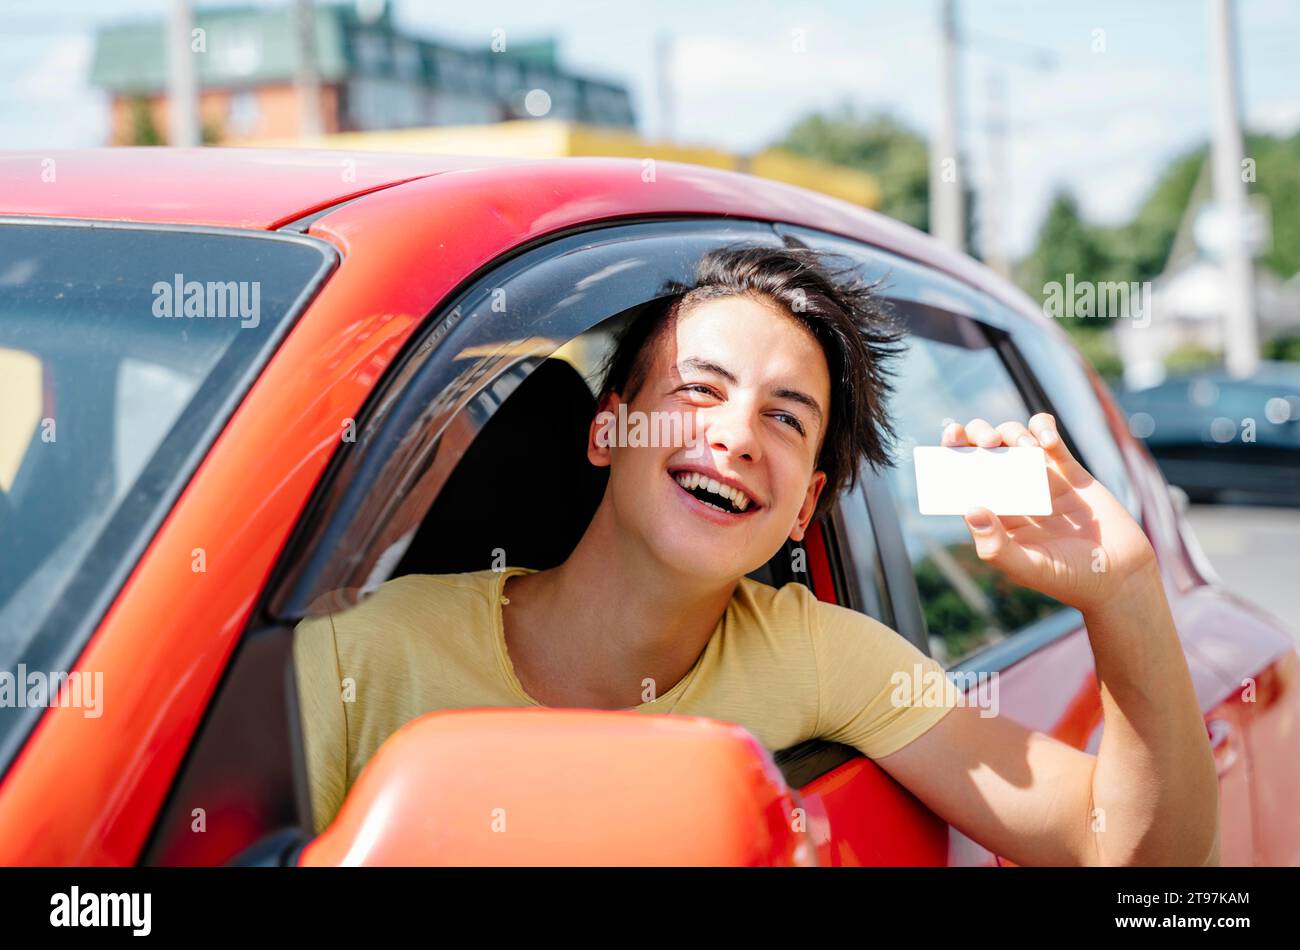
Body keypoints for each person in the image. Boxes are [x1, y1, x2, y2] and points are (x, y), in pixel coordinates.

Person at [293, 241, 1219, 865]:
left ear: (804, 506)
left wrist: (1123, 592)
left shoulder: (819, 654)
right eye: (702, 389)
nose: (737, 438)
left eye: (785, 417)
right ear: (608, 431)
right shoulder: (357, 656)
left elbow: (1131, 849)